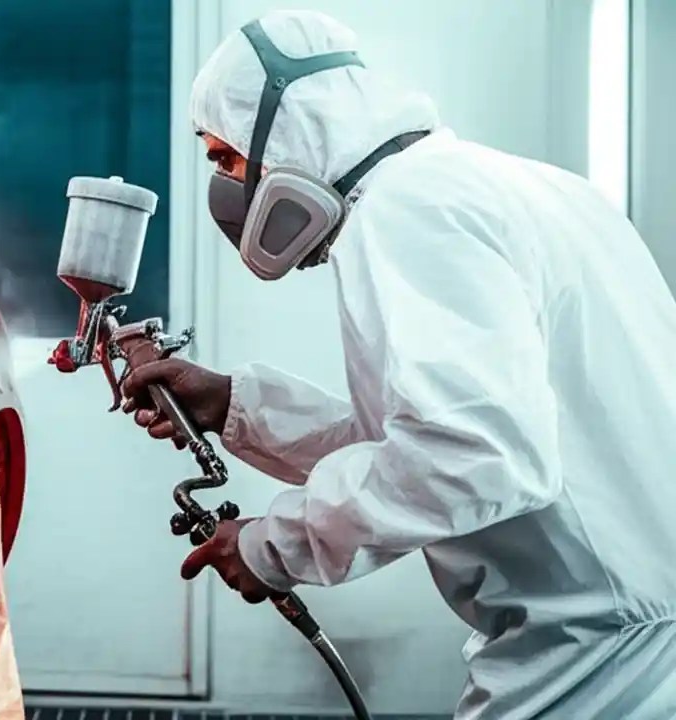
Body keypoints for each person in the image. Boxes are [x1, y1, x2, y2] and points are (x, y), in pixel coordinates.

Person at [121, 9, 676, 719]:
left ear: (289, 131)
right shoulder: (520, 186)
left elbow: (478, 453)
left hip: (597, 647)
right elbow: (425, 438)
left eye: (226, 158)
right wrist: (233, 404)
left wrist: (274, 546)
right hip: (626, 620)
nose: (227, 189)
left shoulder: (408, 209)